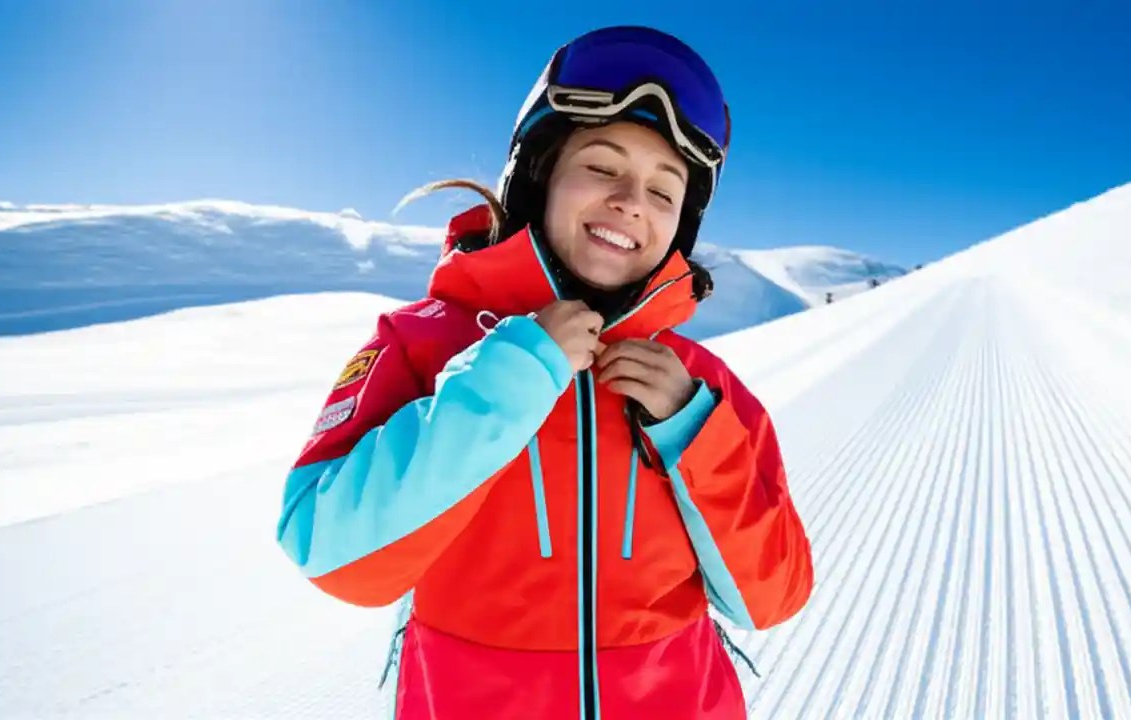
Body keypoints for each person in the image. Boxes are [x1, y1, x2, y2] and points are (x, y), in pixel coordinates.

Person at [275, 25, 814, 720]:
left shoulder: (701, 384)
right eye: (601, 165)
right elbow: (330, 552)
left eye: (664, 190)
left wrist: (694, 432)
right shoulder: (421, 342)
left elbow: (774, 596)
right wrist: (511, 378)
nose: (631, 201)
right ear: (538, 175)